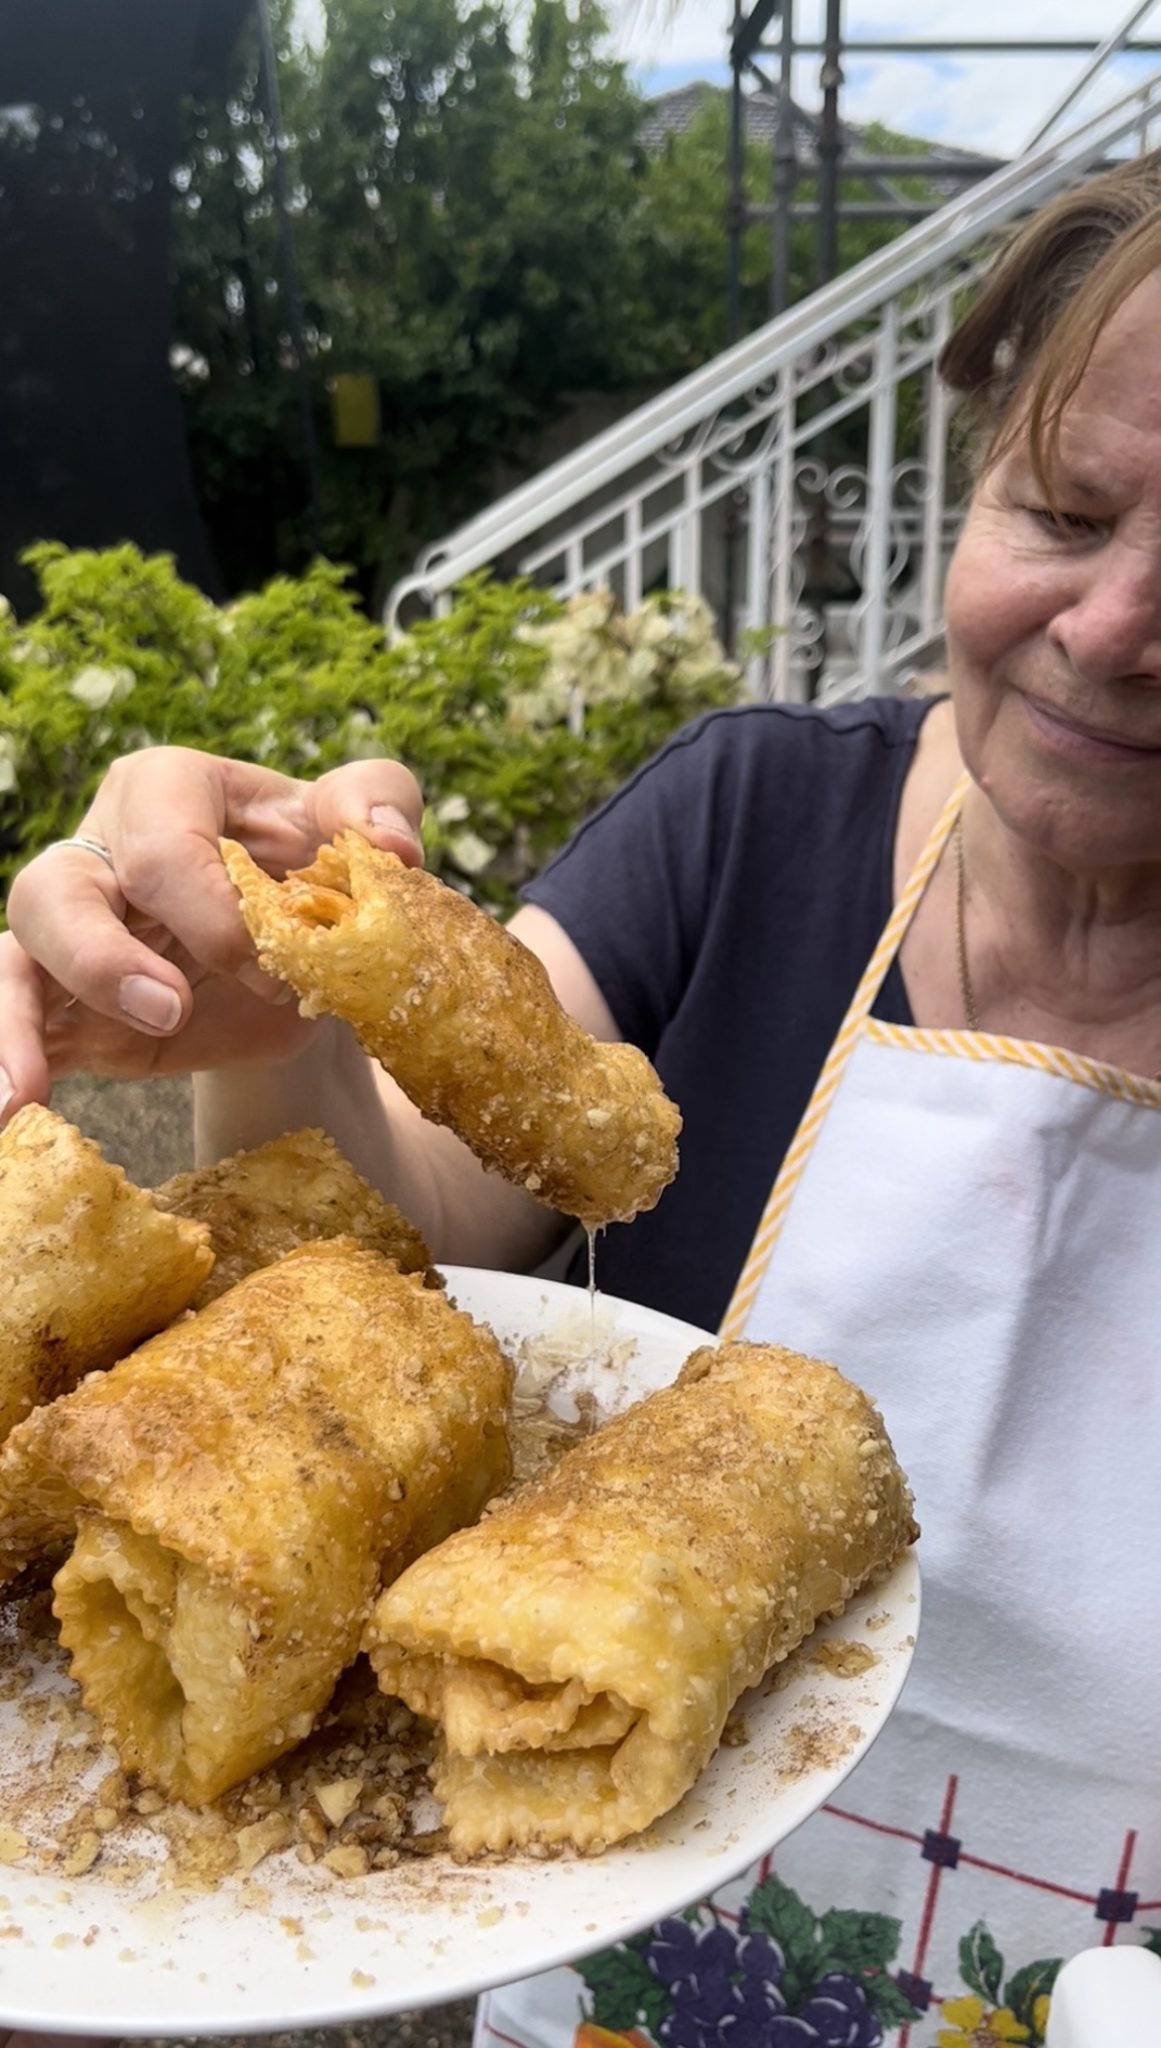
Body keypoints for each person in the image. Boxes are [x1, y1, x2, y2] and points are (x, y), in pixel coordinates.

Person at [5, 149, 1161, 2048]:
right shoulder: (750, 822)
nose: (1111, 629)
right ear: (969, 490)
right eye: (1059, 508)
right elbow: (426, 1237)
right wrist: (271, 1013)